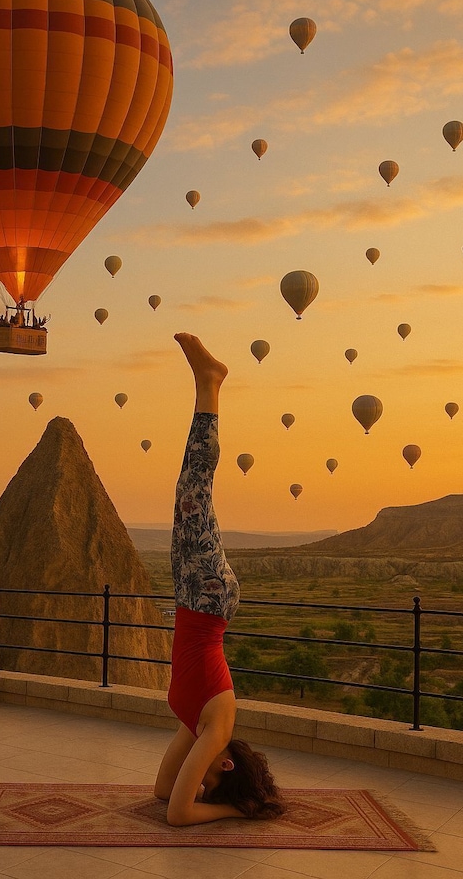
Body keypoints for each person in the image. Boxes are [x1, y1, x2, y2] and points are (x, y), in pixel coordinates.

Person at [154, 333, 286, 827]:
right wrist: (233, 808)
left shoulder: (200, 728)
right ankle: (209, 384)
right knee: (194, 488)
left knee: (188, 490)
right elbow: (179, 814)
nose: (199, 781)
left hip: (197, 599)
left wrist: (214, 797)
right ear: (224, 765)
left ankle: (207, 385)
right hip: (206, 600)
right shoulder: (217, 729)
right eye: (209, 782)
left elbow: (163, 792)